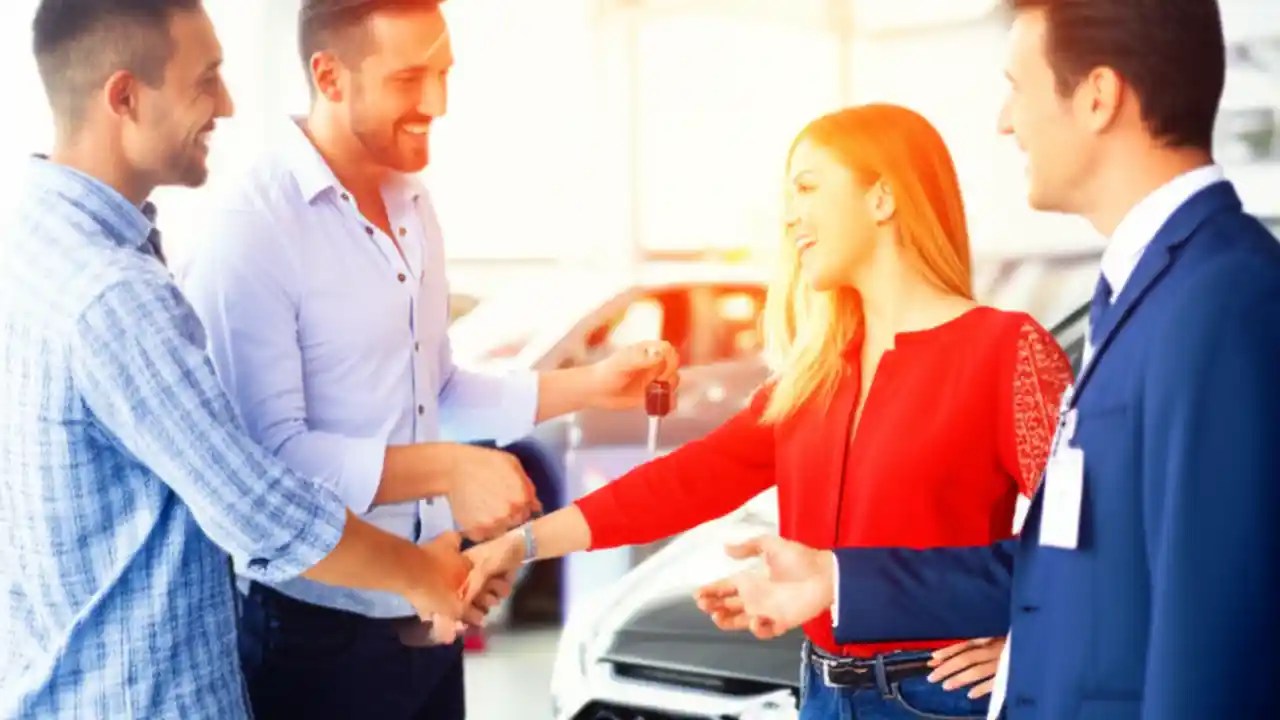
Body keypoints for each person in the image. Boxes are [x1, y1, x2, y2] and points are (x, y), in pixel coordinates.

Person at [696, 1, 1280, 718]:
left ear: (1097, 97)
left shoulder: (1223, 299)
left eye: (1018, 87)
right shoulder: (1140, 292)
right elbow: (1082, 562)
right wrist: (836, 581)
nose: (1006, 121)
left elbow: (1216, 640)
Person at [463, 103, 1074, 719]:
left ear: (883, 197)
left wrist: (1037, 646)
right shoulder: (818, 373)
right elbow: (684, 483)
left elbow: (1094, 545)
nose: (789, 216)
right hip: (818, 694)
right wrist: (524, 544)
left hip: (940, 700)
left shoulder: (1007, 352)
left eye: (807, 186)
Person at [179, 1, 678, 718]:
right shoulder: (252, 228)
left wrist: (592, 387)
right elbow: (264, 463)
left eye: (443, 74)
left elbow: (435, 386)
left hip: (435, 610)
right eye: (411, 78)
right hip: (312, 637)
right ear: (330, 75)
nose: (437, 104)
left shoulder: (412, 203)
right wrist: (448, 468)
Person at [0, 1, 479, 717]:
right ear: (124, 97)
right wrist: (423, 574)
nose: (226, 104)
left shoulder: (34, 241)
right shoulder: (114, 293)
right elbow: (257, 510)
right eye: (206, 80)